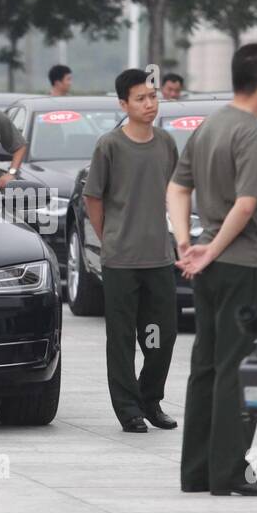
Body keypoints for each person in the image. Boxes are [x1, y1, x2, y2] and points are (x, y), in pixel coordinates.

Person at [168, 43, 257, 495]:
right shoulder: (251, 132)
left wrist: (186, 242)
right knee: (240, 369)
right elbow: (248, 201)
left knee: (207, 367)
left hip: (210, 266)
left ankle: (197, 471)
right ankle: (230, 471)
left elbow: (176, 188)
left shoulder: (210, 125)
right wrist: (211, 249)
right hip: (244, 265)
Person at [84, 68, 179, 433]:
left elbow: (174, 193)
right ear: (124, 104)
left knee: (159, 335)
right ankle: (128, 409)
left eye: (152, 97)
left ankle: (150, 399)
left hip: (158, 256)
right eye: (140, 98)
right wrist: (107, 236)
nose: (149, 104)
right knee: (122, 338)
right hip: (121, 260)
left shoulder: (166, 143)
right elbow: (93, 196)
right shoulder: (110, 145)